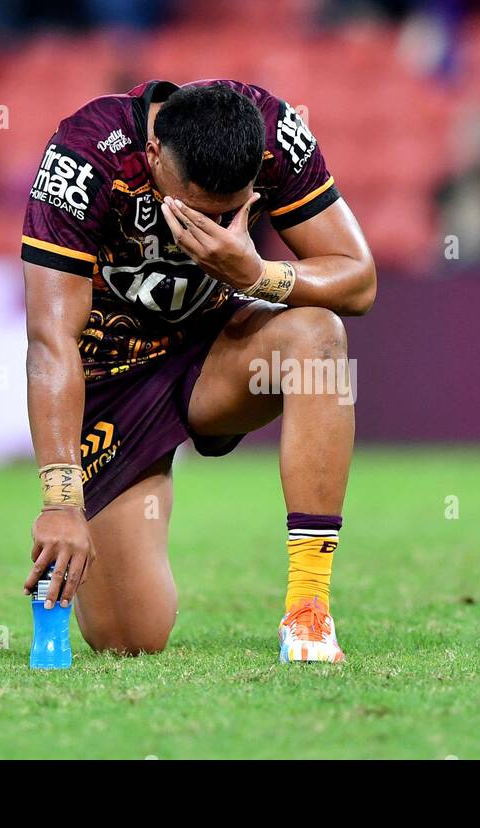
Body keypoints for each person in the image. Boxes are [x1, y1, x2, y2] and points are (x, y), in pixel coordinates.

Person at [19, 80, 376, 663]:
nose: (213, 231)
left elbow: (359, 281)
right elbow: (50, 342)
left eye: (231, 214)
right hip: (112, 380)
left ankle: (308, 610)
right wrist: (60, 500)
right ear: (154, 154)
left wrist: (259, 275)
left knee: (318, 336)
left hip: (217, 351)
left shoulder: (274, 133)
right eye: (196, 211)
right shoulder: (84, 157)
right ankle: (107, 501)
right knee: (131, 638)